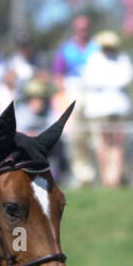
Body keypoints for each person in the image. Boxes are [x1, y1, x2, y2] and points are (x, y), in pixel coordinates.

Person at [80, 31, 132, 188]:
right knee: (102, 143)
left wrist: (108, 82)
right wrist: (109, 81)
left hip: (118, 108)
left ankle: (115, 178)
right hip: (100, 109)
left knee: (117, 142)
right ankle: (106, 178)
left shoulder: (123, 59)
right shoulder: (94, 60)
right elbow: (91, 80)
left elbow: (125, 78)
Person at [53, 15, 99, 187]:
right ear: (75, 29)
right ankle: (81, 176)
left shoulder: (97, 47)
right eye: (80, 28)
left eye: (86, 27)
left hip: (95, 93)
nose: (83, 31)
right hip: (73, 92)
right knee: (75, 136)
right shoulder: (66, 49)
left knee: (95, 136)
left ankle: (98, 175)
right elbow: (58, 75)